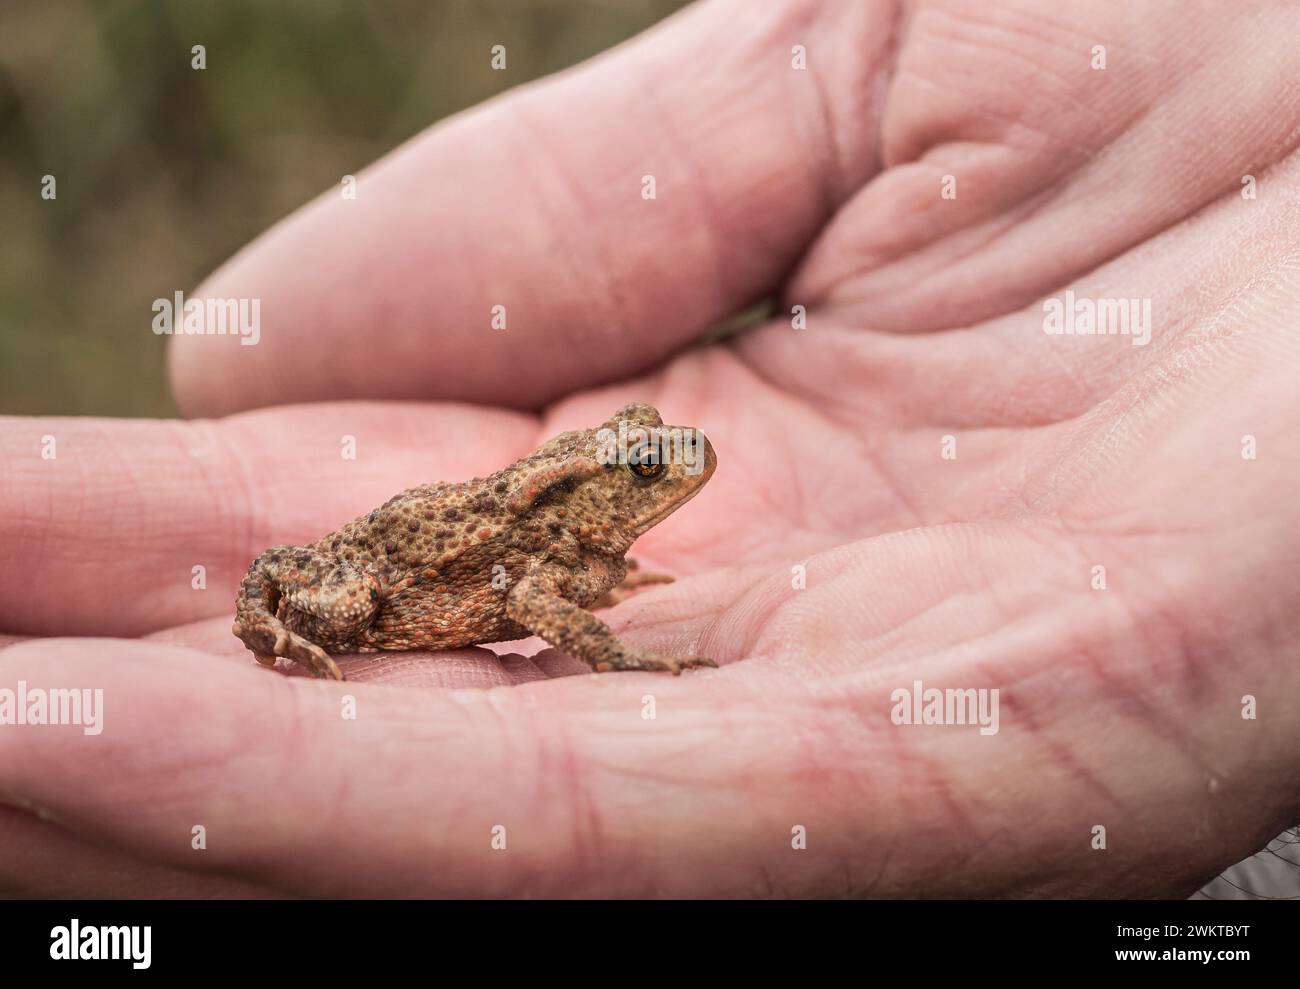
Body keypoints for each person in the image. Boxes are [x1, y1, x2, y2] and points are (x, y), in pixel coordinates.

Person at [3, 0, 1299, 897]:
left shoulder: (577, 525)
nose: (664, 469)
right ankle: (287, 632)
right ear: (593, 490)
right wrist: (612, 652)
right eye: (638, 467)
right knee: (328, 599)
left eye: (652, 457)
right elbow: (512, 587)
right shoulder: (537, 539)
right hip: (401, 568)